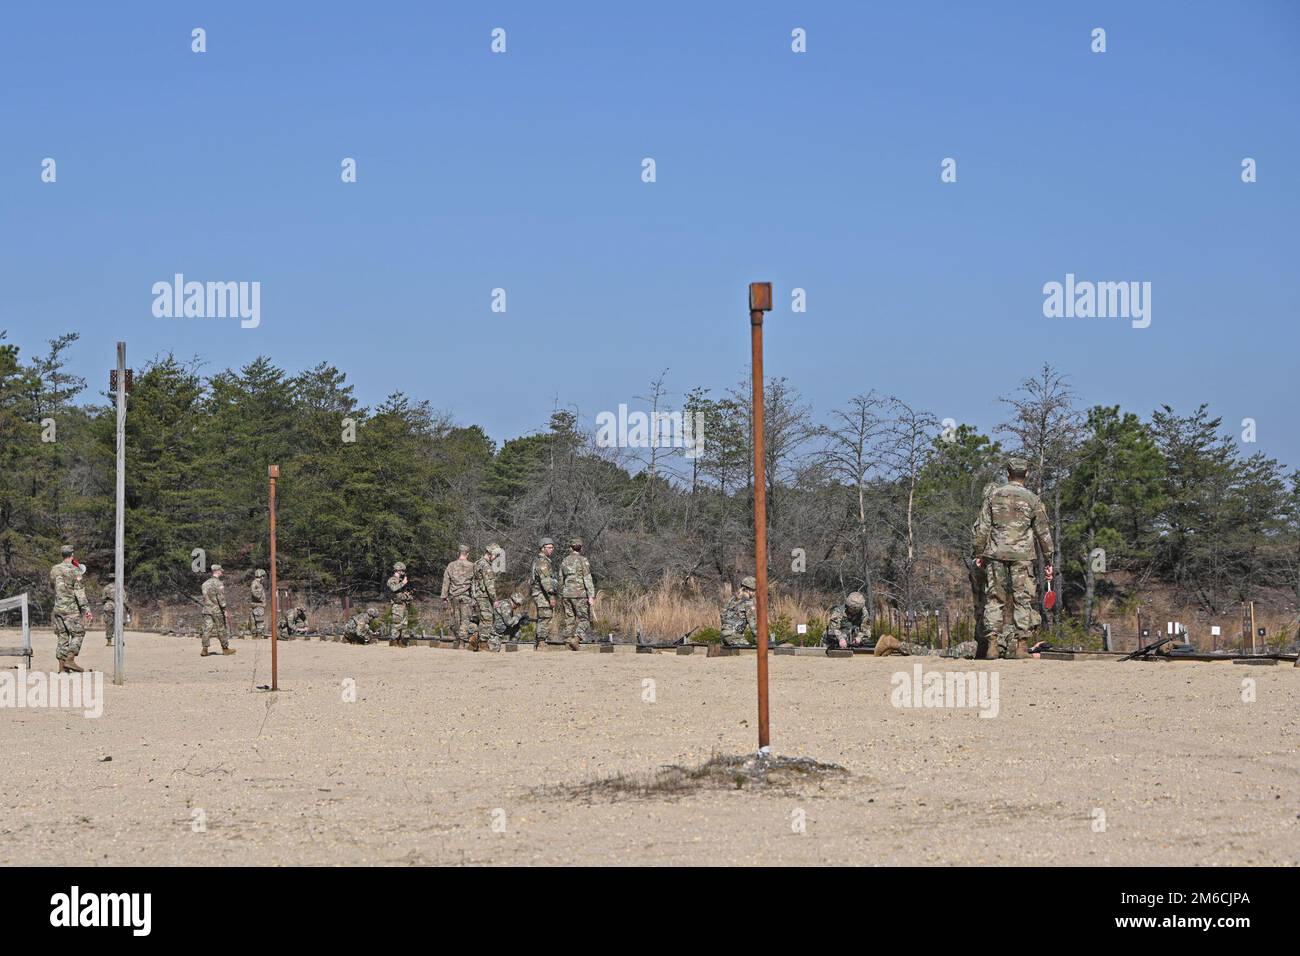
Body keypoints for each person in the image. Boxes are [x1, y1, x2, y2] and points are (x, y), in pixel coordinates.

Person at [972, 457, 1054, 659]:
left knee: (994, 598)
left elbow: (982, 528)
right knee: (1022, 599)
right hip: (1022, 556)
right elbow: (1043, 533)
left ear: (1007, 473)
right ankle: (1021, 647)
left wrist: (979, 552)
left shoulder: (993, 496)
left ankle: (992, 644)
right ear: (1026, 474)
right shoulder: (1032, 499)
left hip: (995, 553)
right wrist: (1049, 559)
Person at [50, 545, 92, 672]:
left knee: (62, 636)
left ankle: (62, 669)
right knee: (78, 633)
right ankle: (70, 660)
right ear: (72, 554)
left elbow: (53, 586)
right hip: (71, 609)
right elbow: (79, 592)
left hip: (58, 608)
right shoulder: (76, 571)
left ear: (62, 555)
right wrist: (86, 610)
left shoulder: (54, 569)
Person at [558, 537, 595, 651]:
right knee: (584, 619)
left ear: (570, 548)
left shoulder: (564, 561)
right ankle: (577, 638)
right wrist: (591, 595)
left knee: (569, 619)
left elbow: (560, 578)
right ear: (581, 548)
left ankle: (568, 643)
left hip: (567, 594)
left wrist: (561, 593)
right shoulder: (583, 560)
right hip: (580, 594)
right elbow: (587, 578)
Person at [440, 544, 475, 642]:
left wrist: (444, 596)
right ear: (467, 554)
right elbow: (475, 583)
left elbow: (446, 581)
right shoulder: (472, 566)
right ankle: (462, 642)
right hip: (466, 596)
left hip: (454, 596)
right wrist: (475, 597)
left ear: (458, 553)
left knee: (456, 619)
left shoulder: (451, 565)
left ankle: (459, 639)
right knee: (465, 620)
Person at [470, 545, 503, 651]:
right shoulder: (486, 566)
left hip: (477, 595)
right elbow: (490, 586)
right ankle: (483, 644)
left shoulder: (477, 563)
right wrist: (495, 600)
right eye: (496, 556)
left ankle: (475, 640)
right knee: (487, 620)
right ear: (491, 554)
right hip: (484, 596)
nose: (496, 558)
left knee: (483, 620)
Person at [200, 564, 236, 657]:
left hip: (206, 609)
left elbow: (204, 597)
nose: (221, 572)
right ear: (218, 571)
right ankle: (225, 649)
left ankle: (204, 649)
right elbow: (221, 598)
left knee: (207, 629)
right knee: (221, 629)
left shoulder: (205, 584)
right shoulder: (218, 583)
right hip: (217, 610)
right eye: (221, 571)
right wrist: (224, 609)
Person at [530, 538, 558, 647]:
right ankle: (541, 643)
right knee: (545, 618)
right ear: (542, 548)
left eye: (552, 547)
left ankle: (539, 642)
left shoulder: (542, 561)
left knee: (543, 618)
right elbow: (546, 582)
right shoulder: (542, 562)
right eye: (549, 547)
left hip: (542, 594)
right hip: (542, 595)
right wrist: (551, 597)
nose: (552, 549)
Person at [719, 576, 758, 647]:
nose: (755, 593)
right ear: (747, 590)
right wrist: (760, 640)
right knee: (748, 652)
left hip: (724, 636)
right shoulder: (748, 603)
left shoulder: (731, 600)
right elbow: (753, 625)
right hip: (735, 637)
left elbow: (722, 616)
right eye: (753, 590)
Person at [388, 562, 413, 647]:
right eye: (402, 570)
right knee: (397, 623)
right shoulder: (392, 580)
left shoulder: (400, 580)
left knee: (404, 624)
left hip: (404, 604)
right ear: (398, 570)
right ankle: (394, 641)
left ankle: (401, 641)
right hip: (397, 605)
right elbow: (393, 589)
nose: (403, 572)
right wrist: (403, 583)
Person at [101, 572, 129, 646]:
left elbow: (103, 599)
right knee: (120, 624)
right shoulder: (120, 587)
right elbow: (125, 599)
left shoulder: (106, 588)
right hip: (119, 607)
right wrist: (128, 607)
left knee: (109, 624)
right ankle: (120, 640)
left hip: (109, 606)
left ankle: (109, 641)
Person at [249, 569, 268, 639]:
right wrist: (261, 599)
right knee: (259, 621)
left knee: (255, 621)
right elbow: (255, 593)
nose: (263, 578)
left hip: (257, 605)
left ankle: (256, 635)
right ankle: (258, 635)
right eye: (263, 576)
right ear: (261, 576)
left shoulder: (257, 583)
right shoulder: (256, 583)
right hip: (258, 605)